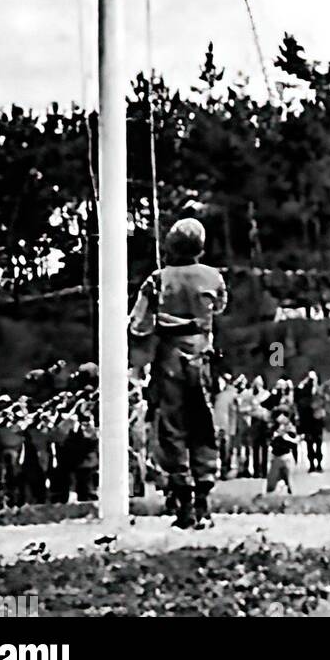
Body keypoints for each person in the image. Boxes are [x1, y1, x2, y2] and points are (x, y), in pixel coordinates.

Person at [128, 217, 228, 530]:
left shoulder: (157, 280)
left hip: (169, 358)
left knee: (171, 428)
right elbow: (220, 307)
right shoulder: (214, 278)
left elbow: (138, 324)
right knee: (203, 424)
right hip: (202, 356)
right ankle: (204, 503)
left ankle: (183, 504)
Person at [265, 413, 298, 494]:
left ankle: (289, 490)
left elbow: (294, 442)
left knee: (289, 480)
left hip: (285, 456)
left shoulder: (289, 430)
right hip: (277, 456)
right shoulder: (274, 429)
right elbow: (269, 439)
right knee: (272, 483)